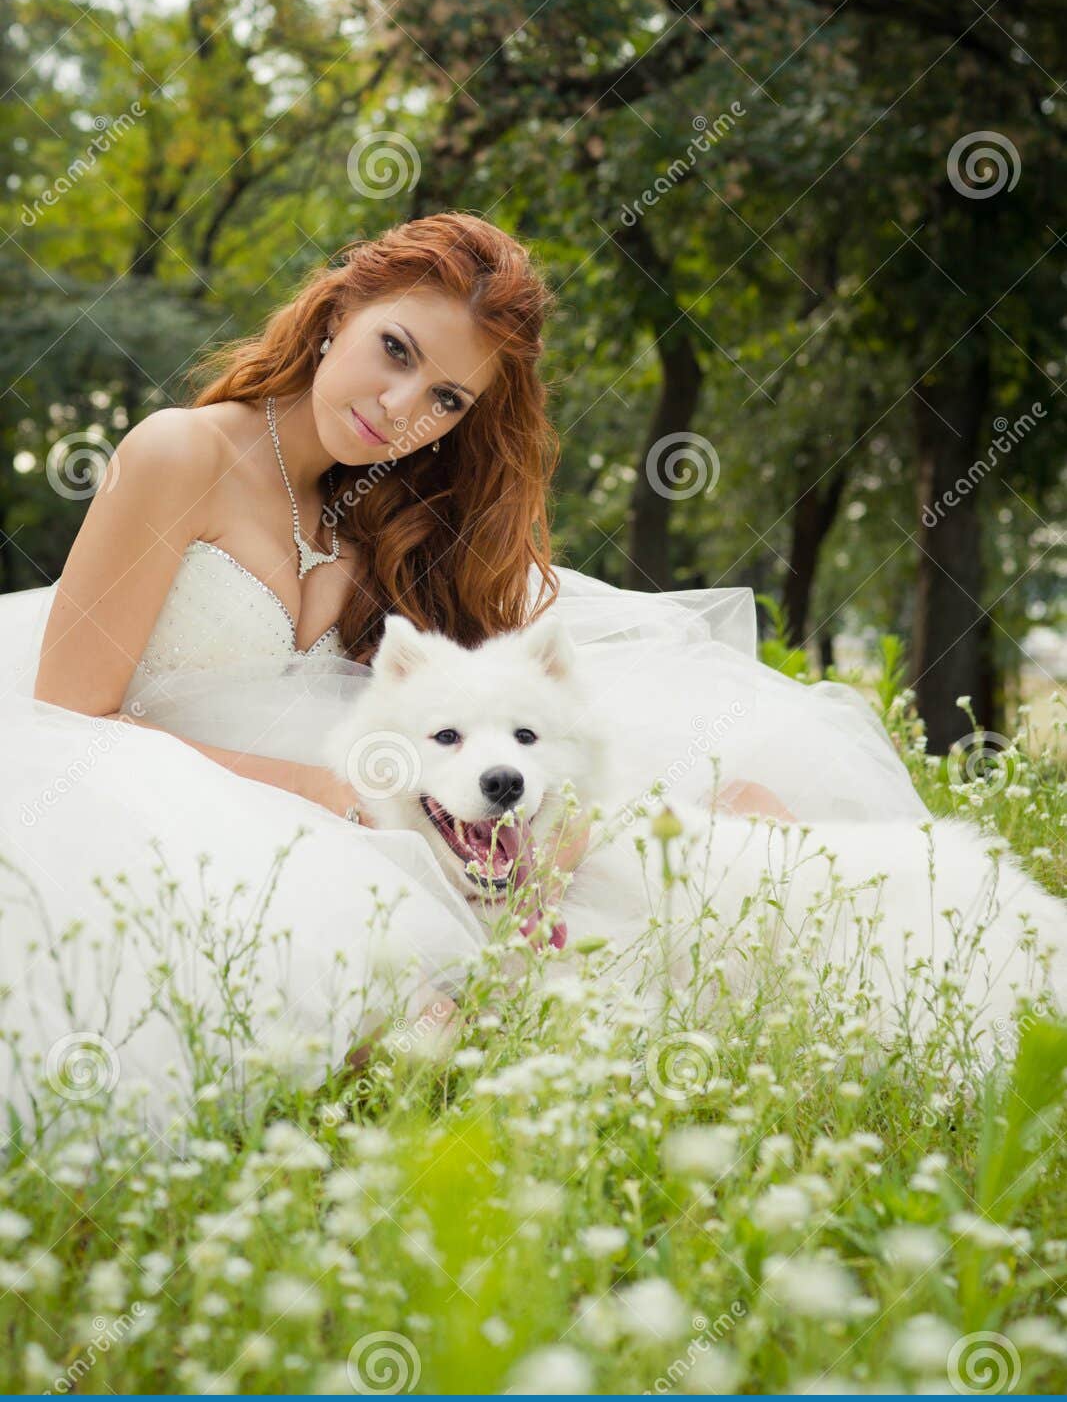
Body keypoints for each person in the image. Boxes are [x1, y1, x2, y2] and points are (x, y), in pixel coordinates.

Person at [0, 212, 927, 1135]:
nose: (402, 407)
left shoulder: (385, 513)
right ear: (335, 312)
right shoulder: (181, 452)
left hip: (350, 790)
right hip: (153, 783)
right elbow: (68, 711)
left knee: (718, 818)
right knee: (402, 1000)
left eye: (446, 399)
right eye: (393, 350)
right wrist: (324, 790)